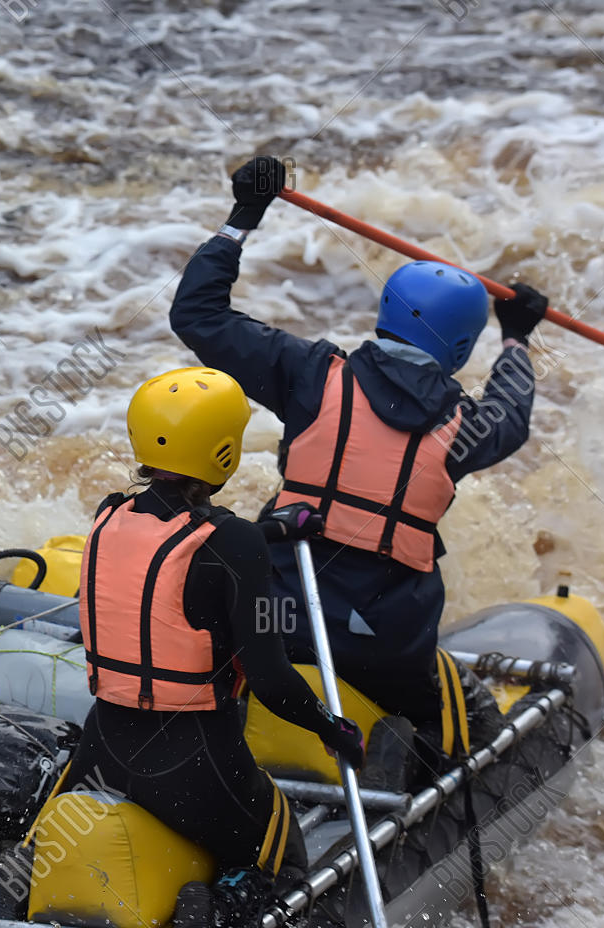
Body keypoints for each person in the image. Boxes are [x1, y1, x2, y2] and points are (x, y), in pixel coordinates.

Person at [170, 156, 550, 778]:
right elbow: (513, 411)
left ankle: (226, 732)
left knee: (232, 611)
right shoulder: (467, 428)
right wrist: (516, 337)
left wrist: (244, 216)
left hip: (276, 625)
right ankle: (425, 759)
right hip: (390, 648)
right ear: (458, 349)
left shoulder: (310, 374)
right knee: (446, 710)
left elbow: (197, 315)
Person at [67, 367, 365, 928]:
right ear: (224, 452)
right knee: (281, 854)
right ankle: (233, 921)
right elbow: (271, 678)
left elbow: (186, 550)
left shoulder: (107, 515)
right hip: (194, 768)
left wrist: (269, 531)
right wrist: (332, 729)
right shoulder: (235, 544)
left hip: (102, 753)